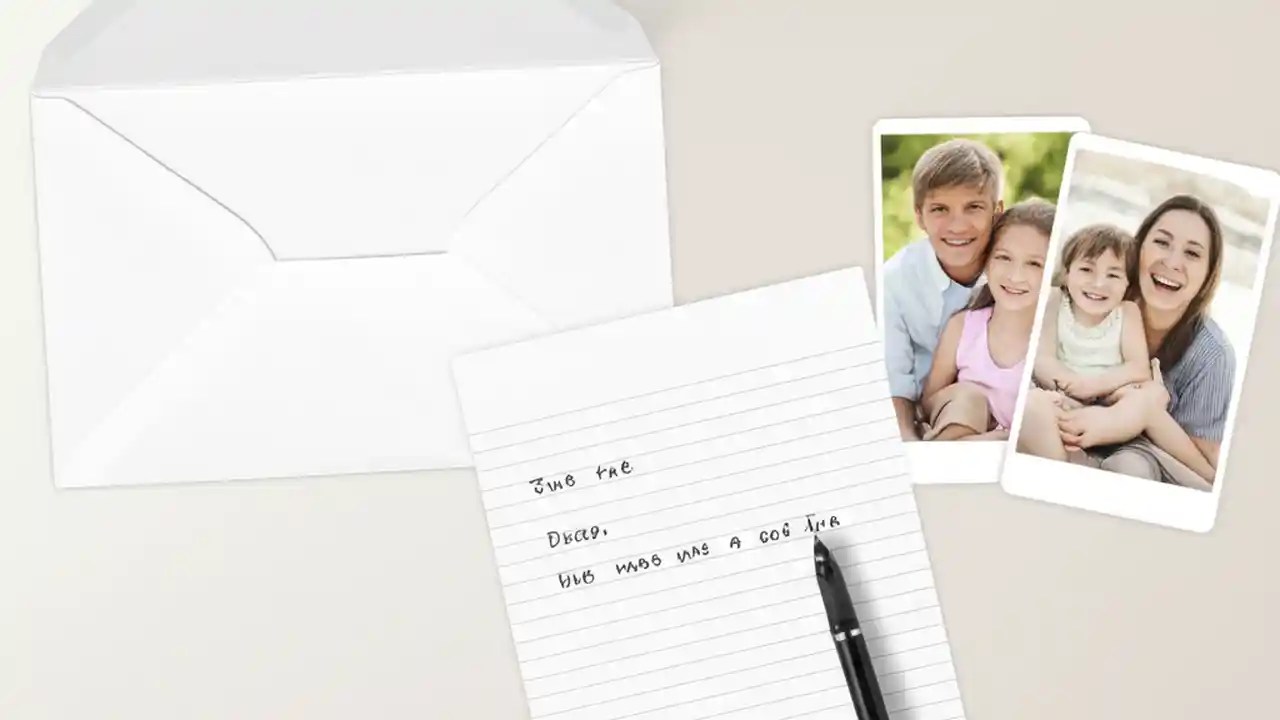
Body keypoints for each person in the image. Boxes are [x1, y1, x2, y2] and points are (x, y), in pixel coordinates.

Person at [1016, 194, 1235, 489]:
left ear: (1208, 273)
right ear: (1138, 247)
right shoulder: (1093, 292)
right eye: (1162, 242)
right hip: (1062, 422)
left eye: (1192, 253)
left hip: (1139, 455)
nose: (1172, 262)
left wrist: (1144, 414)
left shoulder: (1212, 355)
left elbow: (1207, 472)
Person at [883, 138, 1004, 440]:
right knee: (967, 400)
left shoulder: (1015, 271)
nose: (958, 226)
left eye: (973, 207)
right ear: (919, 216)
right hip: (934, 410)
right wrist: (908, 441)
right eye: (940, 209)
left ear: (997, 211)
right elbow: (894, 379)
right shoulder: (896, 280)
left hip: (1002, 405)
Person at [918, 199, 1053, 441]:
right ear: (987, 262)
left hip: (1009, 449)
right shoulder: (962, 327)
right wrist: (970, 411)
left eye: (1034, 264)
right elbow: (929, 402)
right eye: (1004, 257)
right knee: (968, 398)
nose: (1015, 276)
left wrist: (1001, 439)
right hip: (958, 427)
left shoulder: (1051, 340)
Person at [1024, 224, 1151, 450]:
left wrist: (1092, 387)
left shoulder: (1127, 312)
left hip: (1109, 403)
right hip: (1060, 392)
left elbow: (1139, 368)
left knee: (1146, 400)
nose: (1099, 283)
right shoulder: (1055, 301)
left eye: (1113, 275)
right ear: (1066, 274)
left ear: (1127, 284)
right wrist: (1073, 387)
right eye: (1086, 269)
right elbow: (1043, 359)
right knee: (1034, 402)